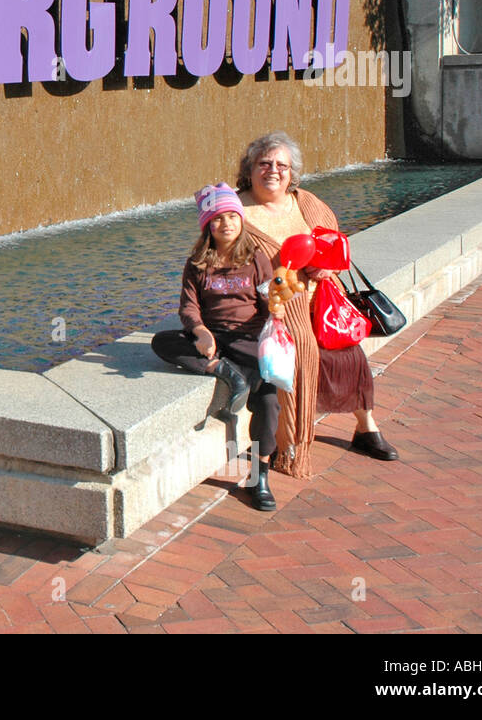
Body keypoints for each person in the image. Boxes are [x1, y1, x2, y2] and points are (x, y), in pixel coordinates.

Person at [235, 131, 399, 480]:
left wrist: (325, 265)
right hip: (268, 308)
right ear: (249, 169)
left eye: (282, 165)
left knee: (350, 354)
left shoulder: (307, 202)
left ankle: (366, 426)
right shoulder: (235, 210)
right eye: (264, 164)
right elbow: (219, 261)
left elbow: (335, 246)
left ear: (292, 172)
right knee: (303, 349)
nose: (273, 171)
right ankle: (288, 442)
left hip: (321, 301)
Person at [151, 182, 281, 511]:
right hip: (215, 338)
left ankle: (259, 475)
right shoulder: (197, 263)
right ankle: (225, 372)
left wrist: (276, 310)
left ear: (240, 220)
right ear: (208, 225)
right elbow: (188, 308)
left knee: (267, 397)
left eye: (231, 217)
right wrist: (199, 331)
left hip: (249, 337)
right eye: (218, 218)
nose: (226, 224)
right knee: (162, 342)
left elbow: (268, 299)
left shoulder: (255, 258)